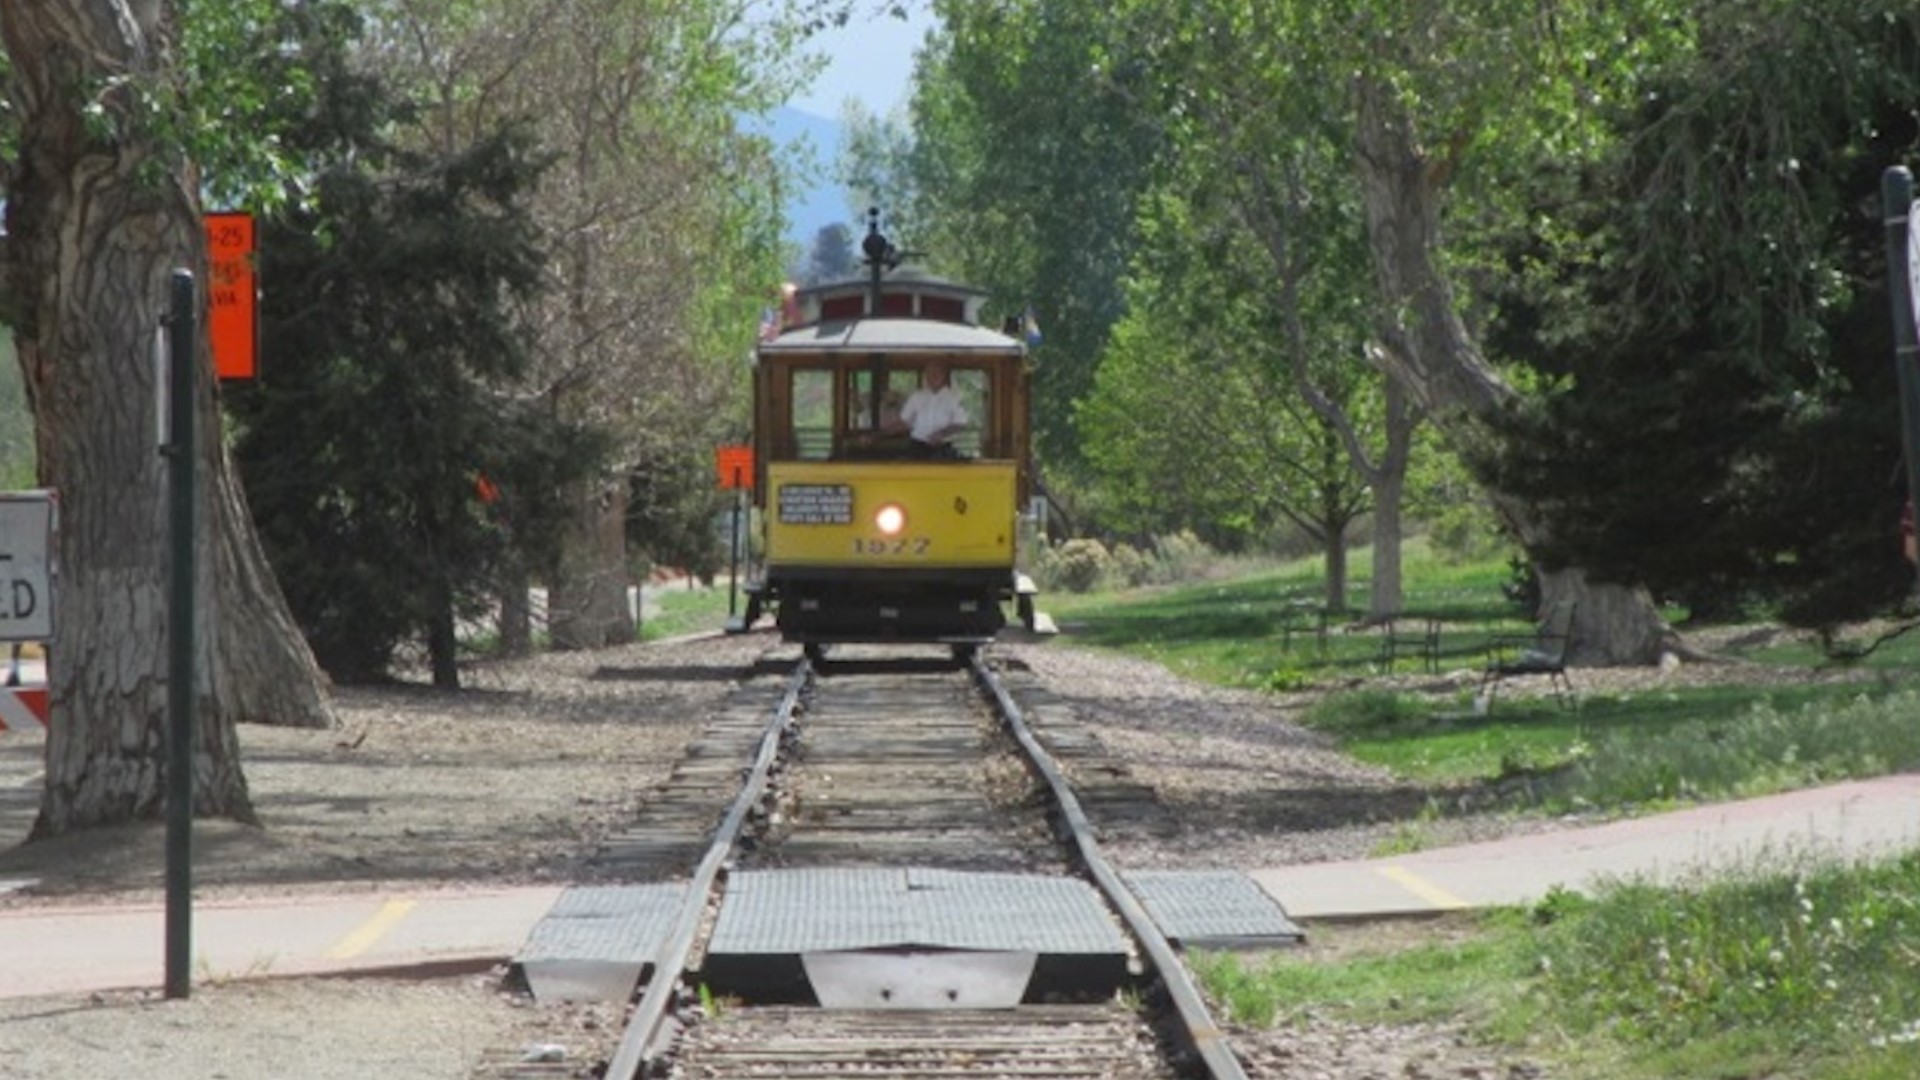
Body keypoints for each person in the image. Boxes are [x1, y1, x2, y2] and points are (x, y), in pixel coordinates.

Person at [885, 362, 970, 456]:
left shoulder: (954, 397)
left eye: (935, 374)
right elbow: (904, 421)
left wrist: (942, 434)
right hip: (917, 446)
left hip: (943, 448)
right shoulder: (917, 396)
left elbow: (960, 423)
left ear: (943, 376)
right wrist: (881, 434)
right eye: (928, 374)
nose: (931, 377)